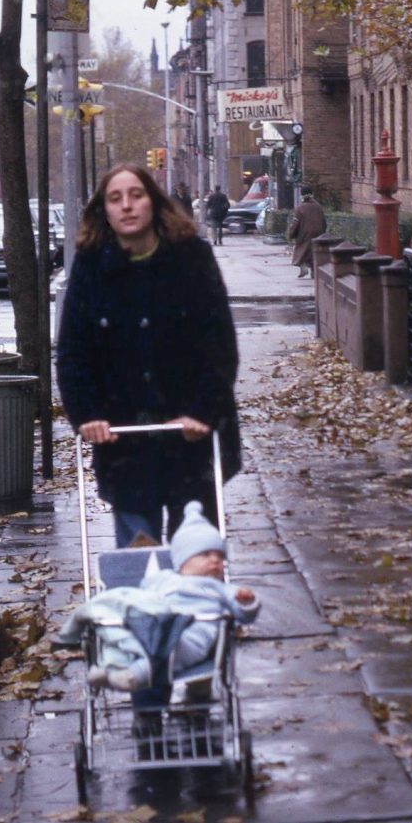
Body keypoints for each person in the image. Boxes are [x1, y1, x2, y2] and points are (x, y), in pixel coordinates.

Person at [56, 163, 241, 548]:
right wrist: (87, 414)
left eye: (136, 195)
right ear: (104, 210)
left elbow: (219, 344)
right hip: (125, 442)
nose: (126, 205)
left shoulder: (192, 258)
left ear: (154, 203)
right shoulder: (91, 268)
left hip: (191, 439)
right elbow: (74, 352)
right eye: (115, 198)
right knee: (139, 560)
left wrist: (204, 410)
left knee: (195, 555)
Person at [56, 502, 260, 693]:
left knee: (166, 648)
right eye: (205, 555)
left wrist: (246, 601)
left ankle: (132, 676)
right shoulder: (165, 578)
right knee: (123, 625)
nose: (215, 560)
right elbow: (145, 594)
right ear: (183, 560)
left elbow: (244, 615)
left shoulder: (221, 588)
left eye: (220, 556)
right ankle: (110, 666)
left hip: (191, 636)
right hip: (157, 622)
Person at [288, 187, 326, 278]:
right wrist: (323, 232)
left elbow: (295, 223)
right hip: (318, 233)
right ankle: (314, 271)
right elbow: (324, 222)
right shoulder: (318, 207)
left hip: (304, 234)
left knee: (301, 251)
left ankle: (303, 266)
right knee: (313, 252)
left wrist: (291, 234)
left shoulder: (300, 208)